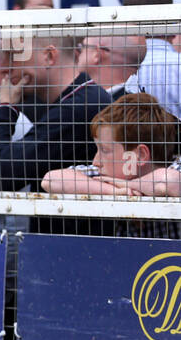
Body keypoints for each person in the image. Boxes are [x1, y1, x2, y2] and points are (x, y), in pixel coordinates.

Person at [0, 34, 112, 234]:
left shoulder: (79, 107)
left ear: (49, 56)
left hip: (75, 252)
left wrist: (6, 106)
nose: (8, 67)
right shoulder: (79, 99)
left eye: (17, 54)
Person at [41, 93, 180, 238]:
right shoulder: (107, 176)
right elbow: (50, 180)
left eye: (105, 150)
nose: (96, 161)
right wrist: (114, 191)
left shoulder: (176, 167)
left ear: (140, 155)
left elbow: (167, 182)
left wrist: (127, 185)